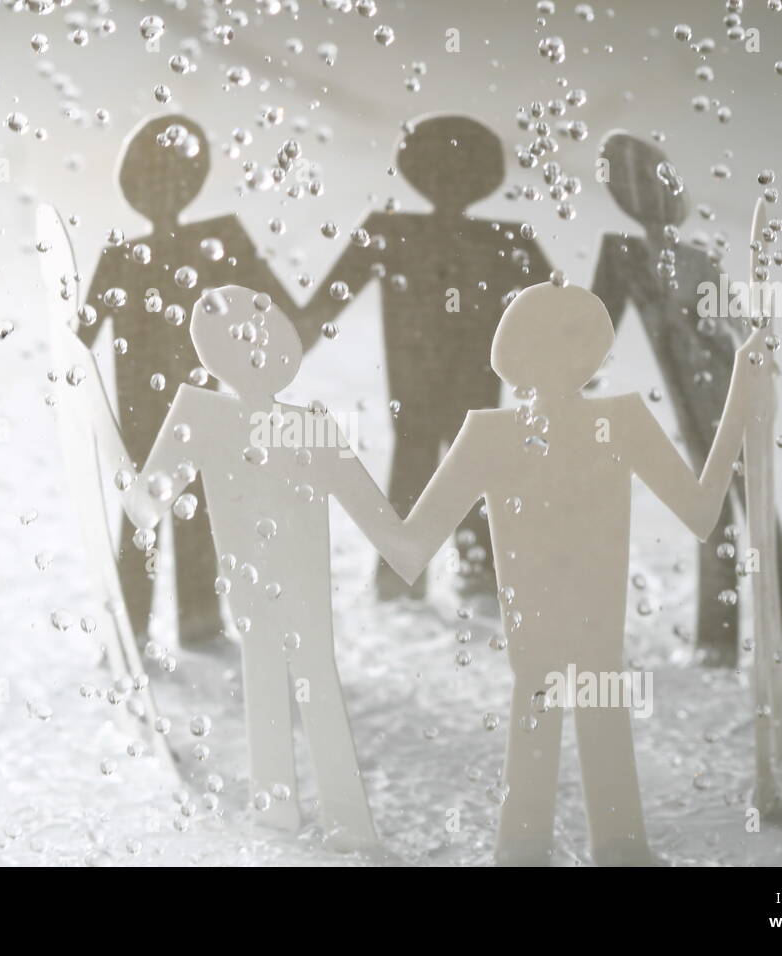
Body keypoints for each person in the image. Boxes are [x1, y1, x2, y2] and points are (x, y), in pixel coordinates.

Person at [385, 282, 767, 865]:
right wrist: (740, 395)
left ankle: (568, 850)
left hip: (568, 649)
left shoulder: (524, 430)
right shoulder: (572, 426)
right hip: (576, 648)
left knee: (555, 804)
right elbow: (702, 511)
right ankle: (589, 850)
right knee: (580, 787)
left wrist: (742, 392)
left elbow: (409, 548)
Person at [120, 285, 410, 849]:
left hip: (269, 590)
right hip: (272, 591)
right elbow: (388, 530)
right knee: (304, 681)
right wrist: (416, 542)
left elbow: (145, 505)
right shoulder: (268, 422)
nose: (269, 339)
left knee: (285, 680)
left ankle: (295, 820)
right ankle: (326, 824)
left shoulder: (221, 416)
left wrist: (109, 451)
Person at [590, 131, 782, 672]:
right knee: (715, 507)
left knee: (748, 506)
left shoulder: (698, 258)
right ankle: (720, 643)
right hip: (694, 392)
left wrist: (757, 356)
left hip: (726, 385)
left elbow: (733, 325)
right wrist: (569, 376)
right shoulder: (622, 253)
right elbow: (597, 323)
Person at [75, 114, 306, 648]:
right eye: (152, 181)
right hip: (155, 412)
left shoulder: (210, 241)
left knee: (180, 512)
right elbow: (80, 343)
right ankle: (150, 628)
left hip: (191, 408)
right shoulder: (126, 255)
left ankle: (174, 625)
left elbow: (276, 314)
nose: (162, 192)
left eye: (171, 180)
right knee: (159, 514)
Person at [304, 114, 551, 600]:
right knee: (451, 459)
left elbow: (556, 313)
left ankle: (420, 578)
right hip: (433, 385)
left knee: (458, 459)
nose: (449, 183)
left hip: (453, 384)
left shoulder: (501, 240)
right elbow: (560, 315)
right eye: (441, 170)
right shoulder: (490, 240)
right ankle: (431, 578)